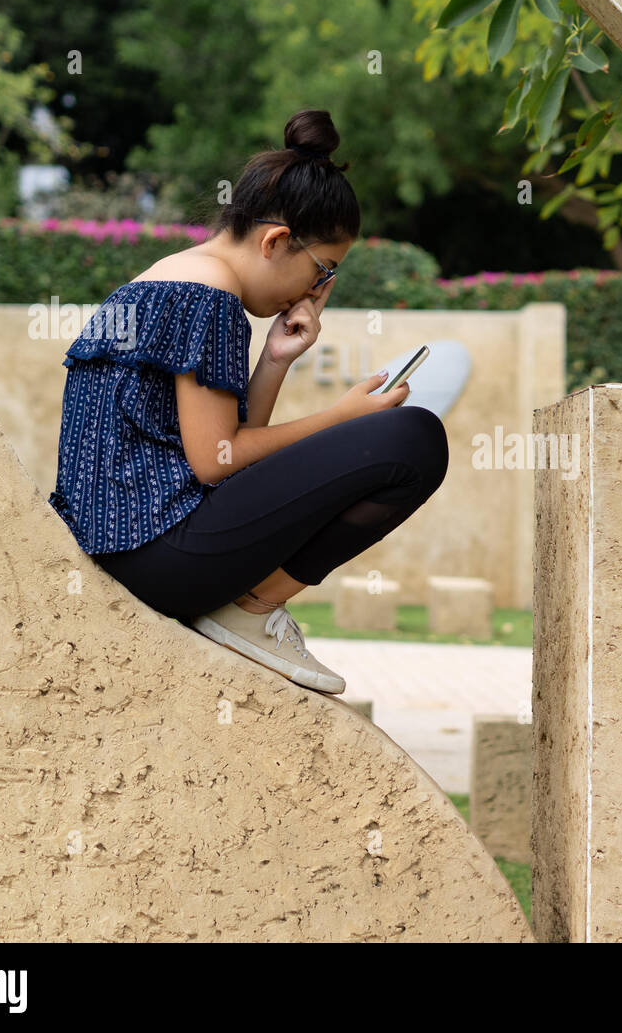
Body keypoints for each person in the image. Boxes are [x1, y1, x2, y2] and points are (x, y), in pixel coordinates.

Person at [48, 109, 449, 696]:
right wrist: (341, 417)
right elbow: (217, 461)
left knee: (401, 436)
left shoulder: (172, 279)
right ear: (277, 241)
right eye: (322, 271)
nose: (316, 292)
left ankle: (245, 608)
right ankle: (251, 609)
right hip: (158, 554)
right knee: (413, 440)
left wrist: (274, 360)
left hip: (133, 547)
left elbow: (222, 457)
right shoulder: (209, 298)